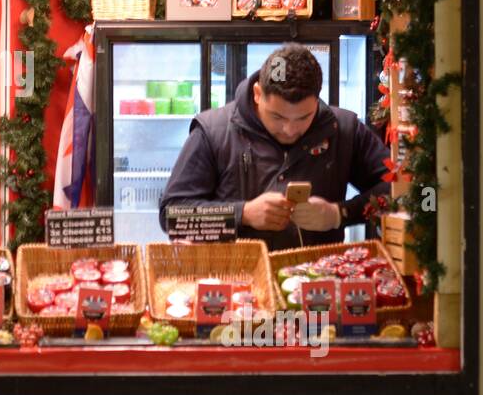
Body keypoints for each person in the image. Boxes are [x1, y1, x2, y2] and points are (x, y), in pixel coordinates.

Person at [159, 43, 389, 251]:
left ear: (318, 99)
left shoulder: (344, 129)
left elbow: (397, 191)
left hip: (317, 285)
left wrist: (339, 214)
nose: (289, 129)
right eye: (278, 117)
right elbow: (171, 215)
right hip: (234, 285)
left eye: (303, 118)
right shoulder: (213, 131)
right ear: (258, 94)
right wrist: (243, 214)